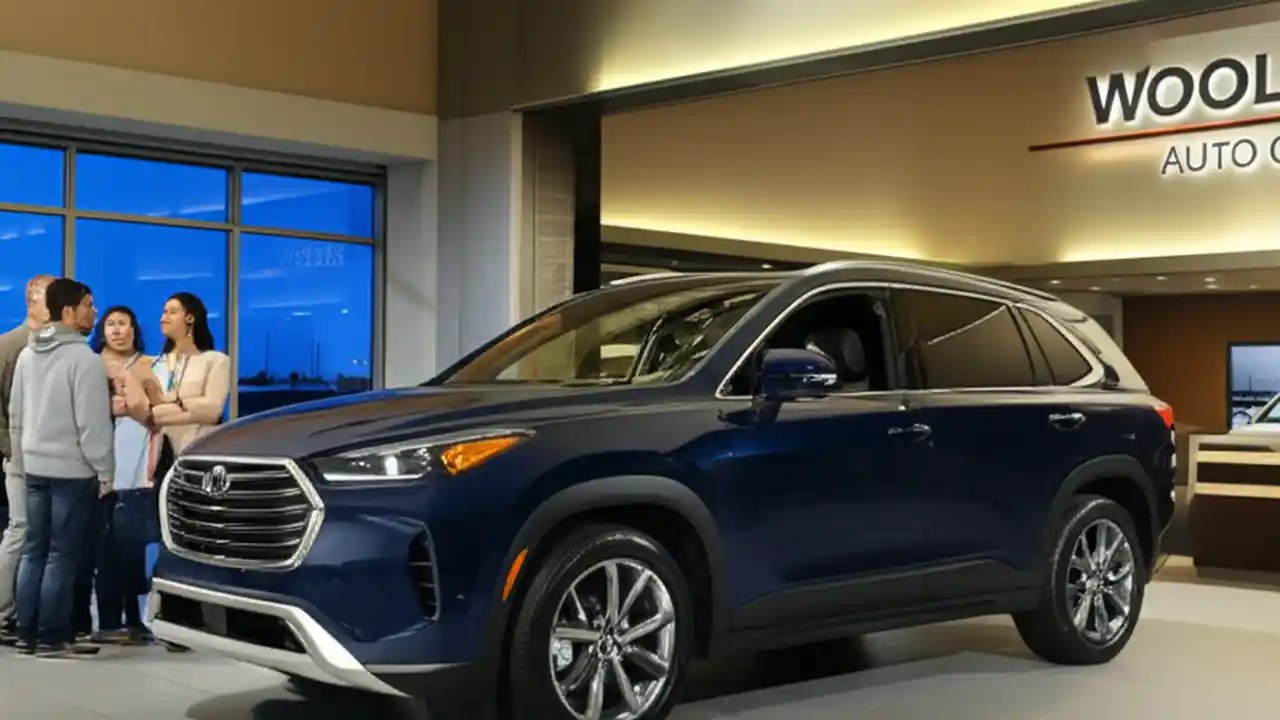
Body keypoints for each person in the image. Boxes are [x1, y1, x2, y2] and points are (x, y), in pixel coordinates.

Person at [10, 278, 113, 657]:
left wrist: (21, 460)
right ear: (68, 312)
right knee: (61, 554)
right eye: (88, 304)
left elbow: (15, 413)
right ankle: (54, 636)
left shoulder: (27, 354)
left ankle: (26, 634)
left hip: (34, 466)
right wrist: (105, 470)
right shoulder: (84, 360)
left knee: (34, 550)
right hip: (73, 470)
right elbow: (92, 425)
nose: (94, 313)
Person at [148, 292, 229, 653]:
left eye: (172, 311)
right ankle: (176, 618)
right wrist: (179, 406)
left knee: (200, 537)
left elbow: (213, 411)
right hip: (162, 459)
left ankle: (215, 616)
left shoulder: (215, 360)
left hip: (200, 460)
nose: (164, 317)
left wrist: (172, 404)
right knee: (169, 540)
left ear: (191, 318)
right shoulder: (156, 364)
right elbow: (152, 414)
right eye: (163, 311)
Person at [88, 306, 160, 645]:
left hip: (138, 466)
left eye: (124, 324)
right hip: (98, 466)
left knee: (132, 548)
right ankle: (106, 621)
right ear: (102, 331)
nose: (118, 331)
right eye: (111, 324)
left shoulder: (149, 366)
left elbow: (160, 413)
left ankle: (135, 620)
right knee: (105, 551)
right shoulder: (90, 365)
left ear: (134, 329)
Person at [0, 274, 54, 646]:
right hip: (19, 456)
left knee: (36, 536)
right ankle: (4, 612)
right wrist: (9, 447)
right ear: (33, 300)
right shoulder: (11, 346)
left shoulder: (51, 346)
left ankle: (24, 612)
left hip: (46, 456)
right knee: (20, 530)